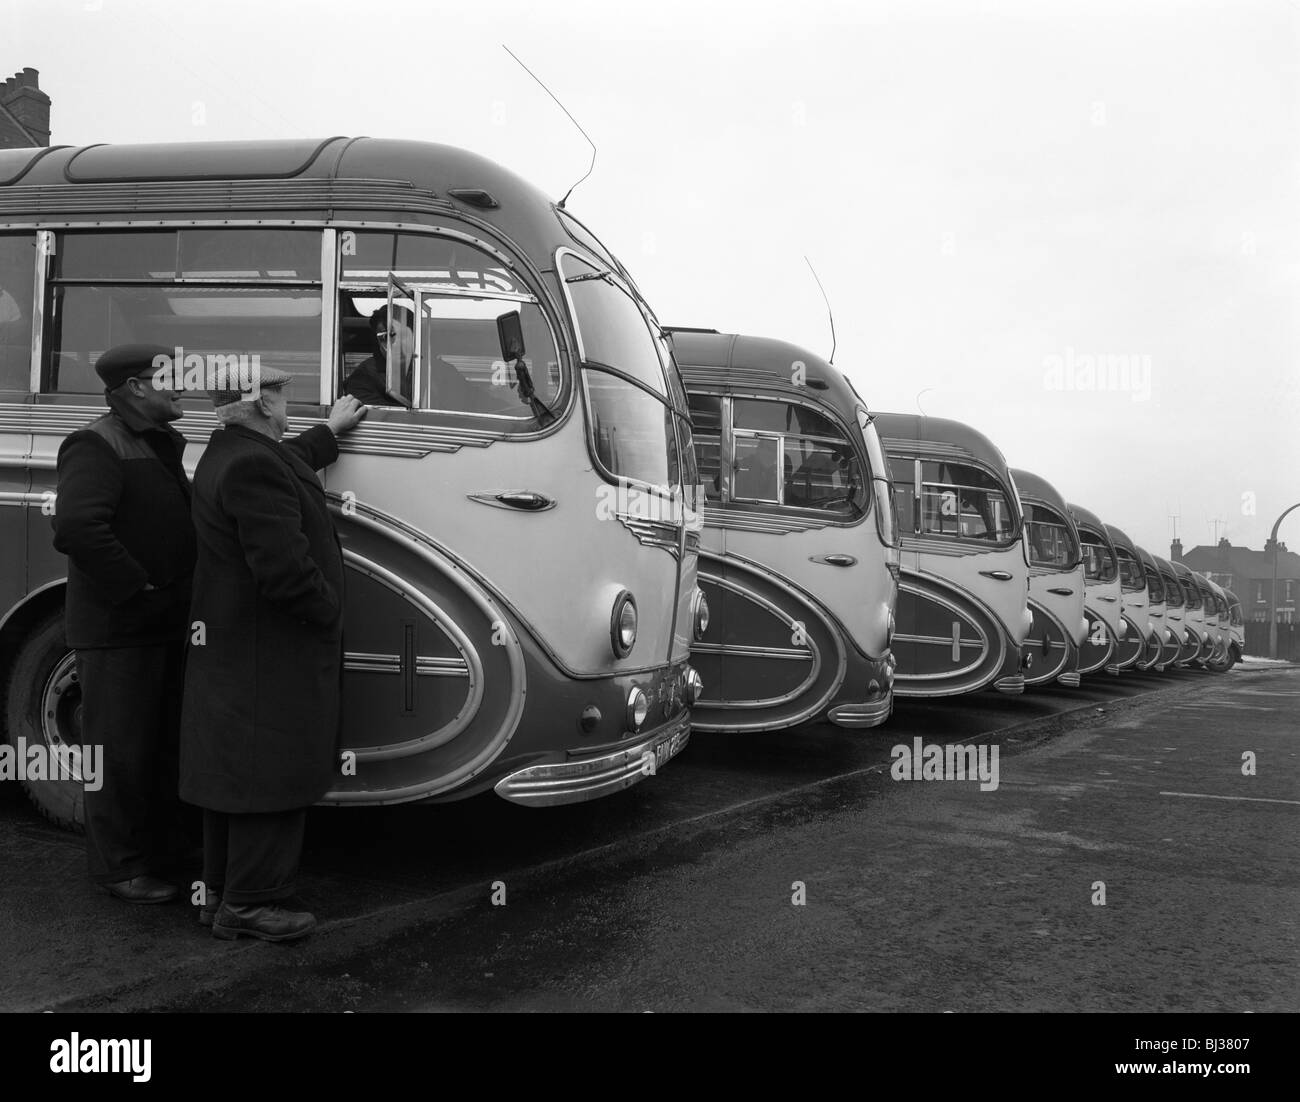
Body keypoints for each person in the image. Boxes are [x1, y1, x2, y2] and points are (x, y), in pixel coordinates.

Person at [180, 367, 365, 942]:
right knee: (271, 773)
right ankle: (253, 904)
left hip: (241, 649)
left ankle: (219, 894)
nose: (290, 405)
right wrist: (327, 609)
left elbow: (289, 459)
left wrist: (328, 431)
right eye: (283, 395)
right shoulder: (252, 463)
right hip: (272, 650)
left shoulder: (233, 451)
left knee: (236, 776)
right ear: (263, 403)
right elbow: (283, 567)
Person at [51, 343, 195, 904]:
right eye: (171, 378)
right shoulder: (95, 441)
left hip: (159, 626)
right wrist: (140, 588)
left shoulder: (156, 442)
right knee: (119, 754)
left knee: (158, 748)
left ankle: (160, 853)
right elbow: (78, 529)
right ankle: (120, 869)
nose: (182, 386)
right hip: (119, 630)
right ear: (136, 386)